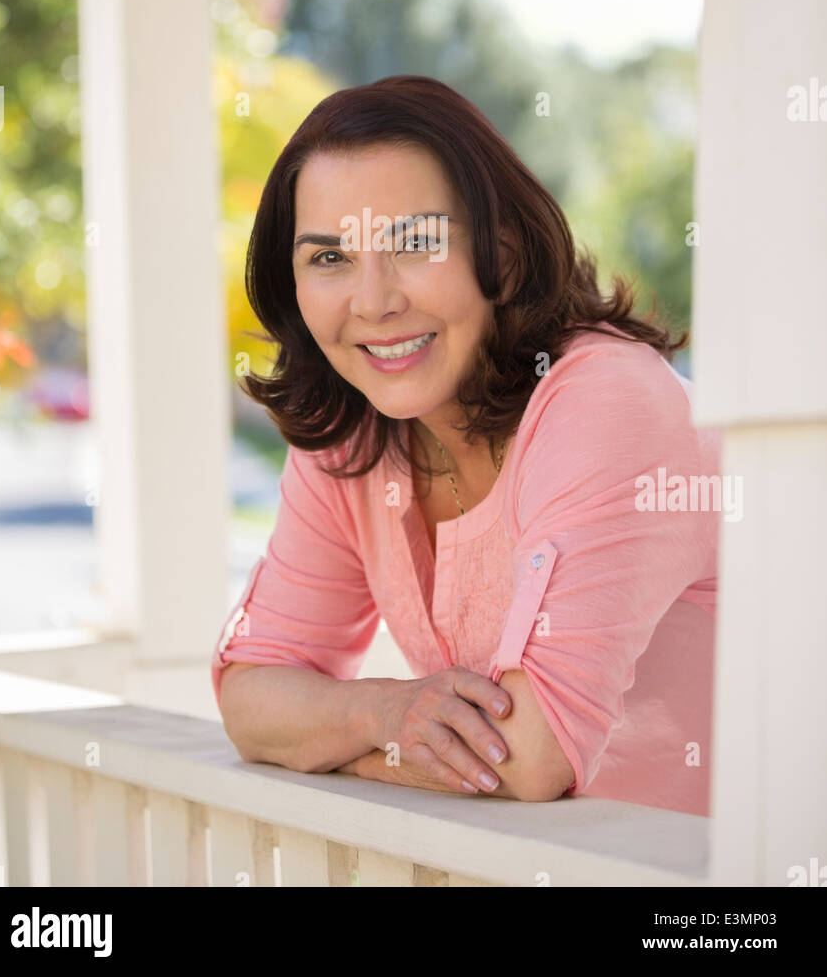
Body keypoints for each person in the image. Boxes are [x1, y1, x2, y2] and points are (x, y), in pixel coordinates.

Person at [212, 75, 720, 813]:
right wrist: (384, 715)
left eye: (415, 244)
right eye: (329, 258)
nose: (375, 301)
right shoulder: (349, 431)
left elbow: (528, 760)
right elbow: (253, 696)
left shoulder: (607, 401)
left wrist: (328, 748)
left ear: (503, 256)